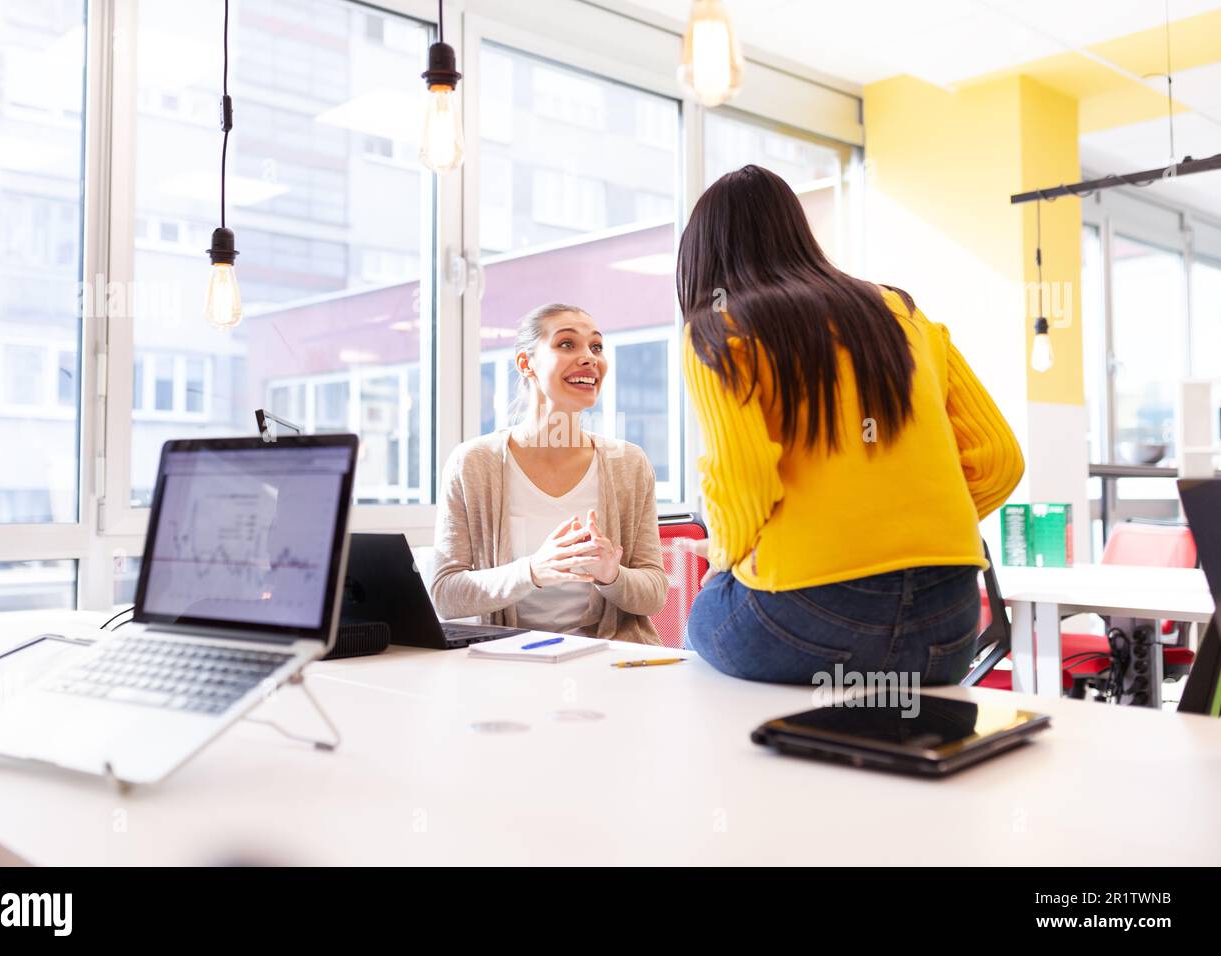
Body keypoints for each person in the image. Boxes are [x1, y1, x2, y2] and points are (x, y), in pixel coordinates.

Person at [678, 165, 1024, 684]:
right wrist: (901, 527)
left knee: (707, 612)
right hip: (950, 620)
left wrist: (728, 557)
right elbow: (998, 458)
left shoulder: (717, 328)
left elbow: (741, 477)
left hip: (806, 619)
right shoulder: (902, 313)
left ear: (701, 257)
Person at [431, 303, 667, 644]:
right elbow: (445, 594)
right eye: (567, 344)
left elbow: (654, 594)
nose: (589, 357)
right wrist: (532, 571)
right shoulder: (473, 463)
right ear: (526, 364)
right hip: (508, 663)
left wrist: (612, 575)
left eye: (596, 346)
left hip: (610, 659)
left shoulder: (629, 463)